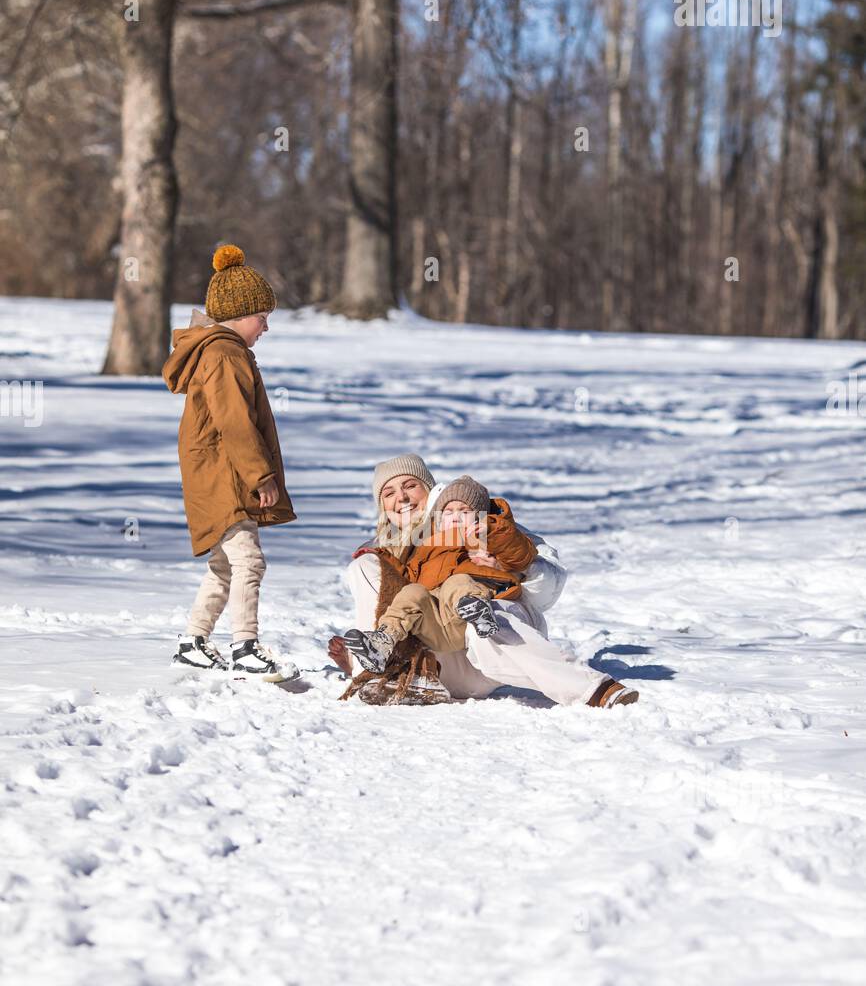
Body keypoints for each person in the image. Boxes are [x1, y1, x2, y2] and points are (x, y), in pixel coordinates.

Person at [331, 454, 638, 707]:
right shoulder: (390, 552)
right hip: (443, 655)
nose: (402, 498)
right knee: (368, 568)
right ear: (382, 507)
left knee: (484, 616)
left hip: (494, 641)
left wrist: (509, 564)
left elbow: (547, 589)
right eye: (389, 493)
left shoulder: (474, 517)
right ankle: (380, 672)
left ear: (431, 488)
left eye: (410, 485)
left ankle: (593, 690)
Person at [162, 244, 298, 680]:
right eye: (263, 317)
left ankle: (193, 642)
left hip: (219, 473)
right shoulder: (224, 354)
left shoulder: (219, 351)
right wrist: (261, 476)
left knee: (225, 563)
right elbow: (235, 423)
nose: (266, 327)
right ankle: (245, 647)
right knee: (248, 562)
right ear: (242, 315)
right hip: (224, 475)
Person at [342, 474, 539, 669]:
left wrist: (493, 528)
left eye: (465, 511)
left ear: (480, 517)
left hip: (467, 621)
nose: (456, 517)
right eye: (449, 512)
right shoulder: (429, 545)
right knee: (412, 593)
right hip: (437, 626)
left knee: (457, 581)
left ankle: (478, 612)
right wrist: (382, 555)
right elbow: (409, 573)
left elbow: (520, 554)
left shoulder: (485, 540)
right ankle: (384, 640)